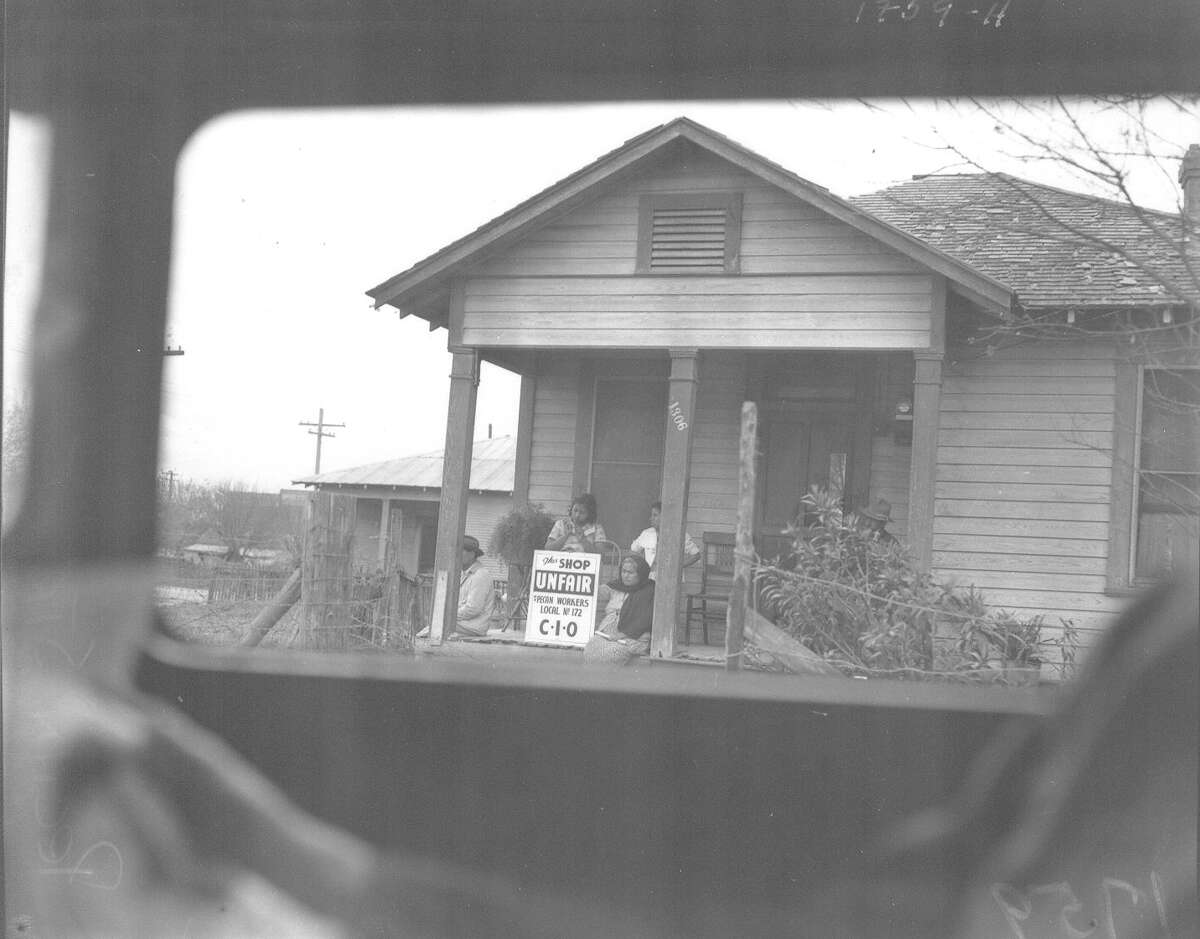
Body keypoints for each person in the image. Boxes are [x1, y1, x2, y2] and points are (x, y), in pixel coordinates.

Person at [582, 554, 655, 665]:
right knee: (590, 648)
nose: (625, 575)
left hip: (633, 637)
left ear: (640, 574)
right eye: (623, 571)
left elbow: (644, 620)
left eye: (630, 573)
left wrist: (622, 635)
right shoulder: (616, 586)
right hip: (608, 633)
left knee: (612, 654)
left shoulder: (649, 591)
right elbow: (594, 590)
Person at [629, 501, 701, 580]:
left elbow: (696, 555)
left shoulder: (679, 534)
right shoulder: (647, 533)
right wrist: (644, 564)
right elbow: (633, 551)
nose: (651, 518)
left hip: (671, 578)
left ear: (665, 517)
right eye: (651, 515)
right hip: (650, 577)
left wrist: (678, 567)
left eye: (655, 515)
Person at [454, 534, 499, 637]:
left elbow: (473, 609)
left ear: (472, 554)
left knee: (436, 626)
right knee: (433, 627)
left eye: (461, 551)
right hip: (462, 624)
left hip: (473, 627)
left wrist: (449, 615)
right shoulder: (464, 573)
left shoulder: (480, 575)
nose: (456, 555)